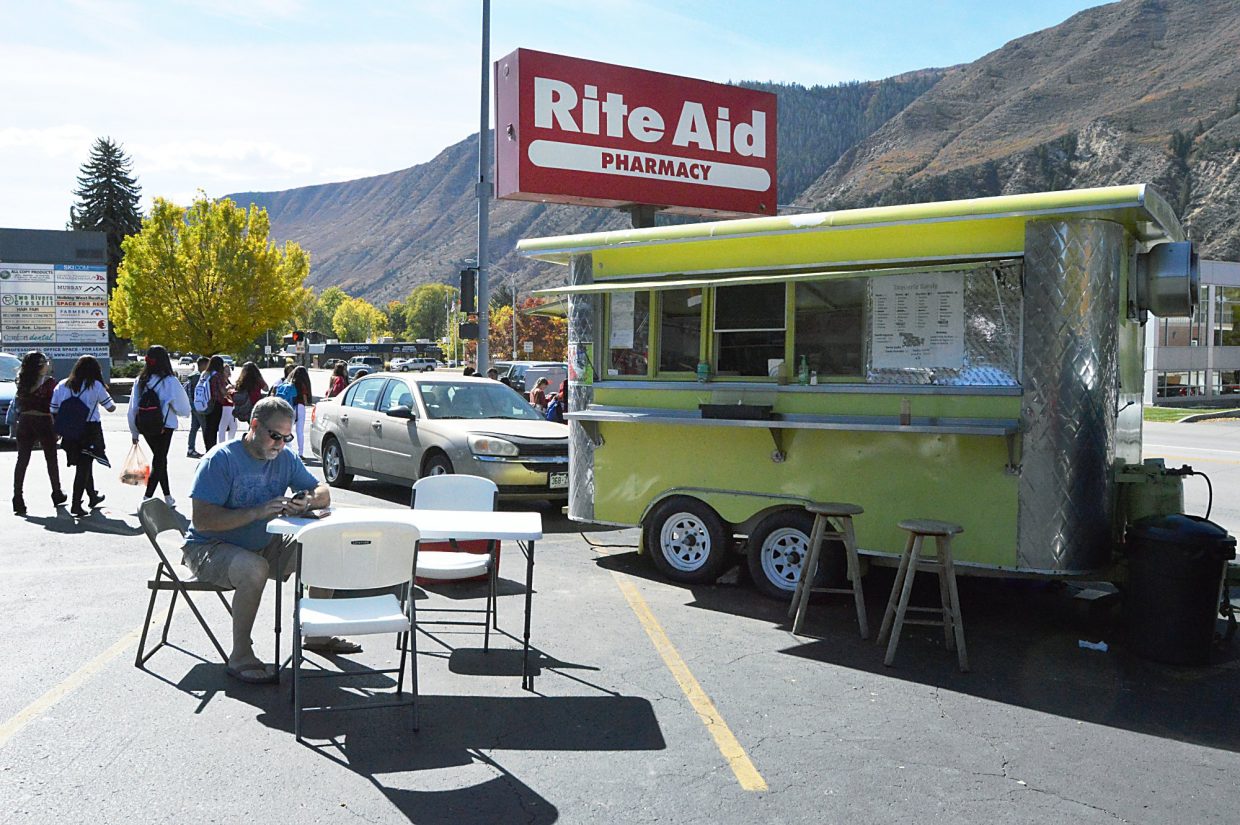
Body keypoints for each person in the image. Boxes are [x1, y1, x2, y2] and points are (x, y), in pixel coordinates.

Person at [182, 397, 357, 683]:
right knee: (254, 568)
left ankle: (317, 634)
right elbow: (203, 520)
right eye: (275, 436)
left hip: (262, 543)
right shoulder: (221, 459)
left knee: (322, 549)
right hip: (208, 548)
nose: (280, 444)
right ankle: (240, 654)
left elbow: (322, 491)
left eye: (287, 437)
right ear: (254, 426)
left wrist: (307, 501)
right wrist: (256, 512)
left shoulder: (285, 458)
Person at [50, 355, 116, 518]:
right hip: (90, 430)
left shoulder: (62, 384)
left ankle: (92, 496)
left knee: (84, 464)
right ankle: (76, 504)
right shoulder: (96, 385)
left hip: (70, 430)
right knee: (84, 467)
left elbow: (53, 408)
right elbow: (111, 407)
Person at [128, 345, 191, 507]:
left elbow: (133, 408)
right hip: (165, 426)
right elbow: (184, 408)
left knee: (160, 459)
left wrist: (134, 433)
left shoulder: (140, 380)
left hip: (144, 426)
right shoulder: (170, 381)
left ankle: (168, 496)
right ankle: (147, 498)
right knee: (160, 459)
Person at [12, 351, 66, 515]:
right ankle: (56, 493)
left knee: (22, 460)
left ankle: (17, 497)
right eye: (46, 362)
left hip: (25, 421)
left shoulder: (21, 381)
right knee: (51, 459)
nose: (48, 365)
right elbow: (55, 405)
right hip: (44, 421)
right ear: (41, 366)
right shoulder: (49, 383)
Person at [184, 356, 210, 458]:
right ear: (203, 365)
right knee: (205, 428)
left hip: (193, 406)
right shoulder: (199, 377)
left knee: (194, 428)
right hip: (199, 407)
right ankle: (208, 449)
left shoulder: (192, 376)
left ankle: (191, 449)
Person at [232, 361, 268, 429]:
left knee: (251, 423)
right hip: (256, 403)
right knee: (255, 423)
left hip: (245, 404)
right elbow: (266, 389)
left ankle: (250, 436)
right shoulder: (258, 380)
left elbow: (237, 388)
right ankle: (251, 437)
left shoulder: (242, 380)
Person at [288, 365, 314, 457]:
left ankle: (288, 450)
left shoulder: (290, 382)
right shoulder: (302, 384)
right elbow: (305, 399)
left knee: (288, 430)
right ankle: (300, 452)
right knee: (299, 431)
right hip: (300, 407)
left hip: (289, 406)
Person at [215, 360, 238, 444]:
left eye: (229, 370)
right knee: (223, 426)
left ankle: (230, 443)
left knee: (234, 426)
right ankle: (222, 444)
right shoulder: (221, 381)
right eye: (226, 371)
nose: (228, 372)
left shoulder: (227, 381)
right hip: (225, 405)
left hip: (230, 405)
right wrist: (229, 388)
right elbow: (222, 392)